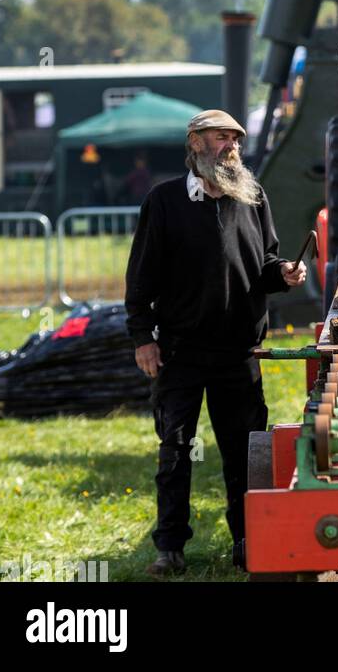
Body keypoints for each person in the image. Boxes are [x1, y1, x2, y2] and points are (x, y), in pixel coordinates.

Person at [125, 109, 307, 577]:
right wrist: (143, 338)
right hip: (180, 352)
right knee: (175, 451)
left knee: (245, 455)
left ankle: (248, 542)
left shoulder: (253, 196)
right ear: (195, 143)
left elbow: (265, 263)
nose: (230, 145)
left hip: (237, 354)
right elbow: (140, 279)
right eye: (220, 137)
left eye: (234, 138)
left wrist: (284, 273)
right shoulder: (164, 202)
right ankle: (170, 547)